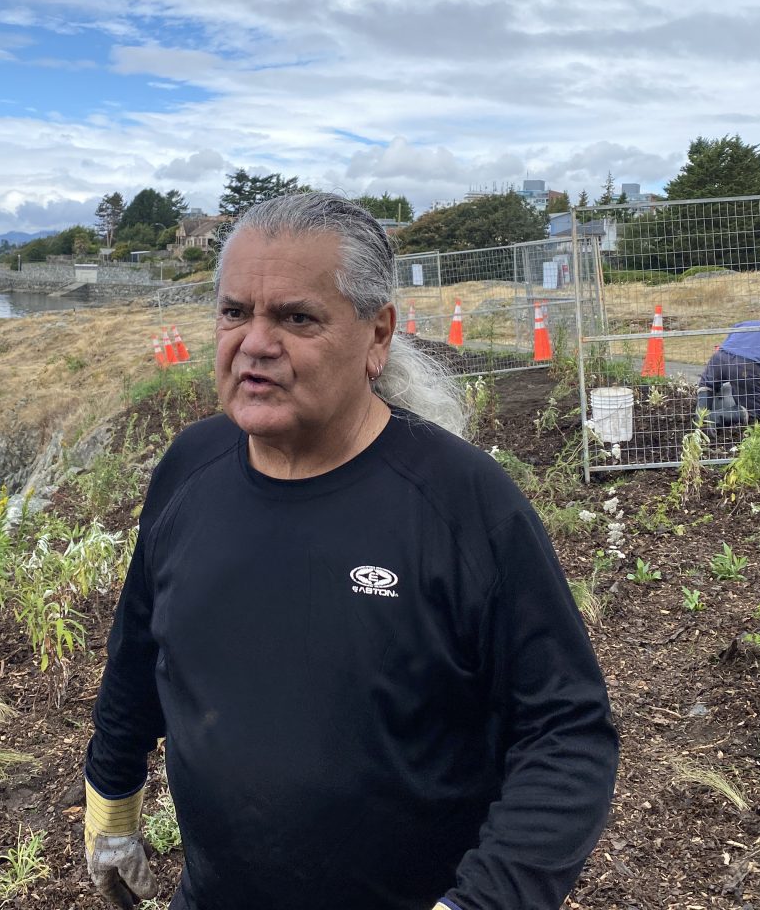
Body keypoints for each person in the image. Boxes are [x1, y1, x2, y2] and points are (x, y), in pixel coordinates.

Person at [83, 192, 618, 910]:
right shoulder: (189, 470)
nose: (255, 344)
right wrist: (112, 804)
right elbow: (140, 648)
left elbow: (567, 732)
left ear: (377, 336)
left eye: (297, 318)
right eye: (235, 312)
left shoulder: (461, 502)